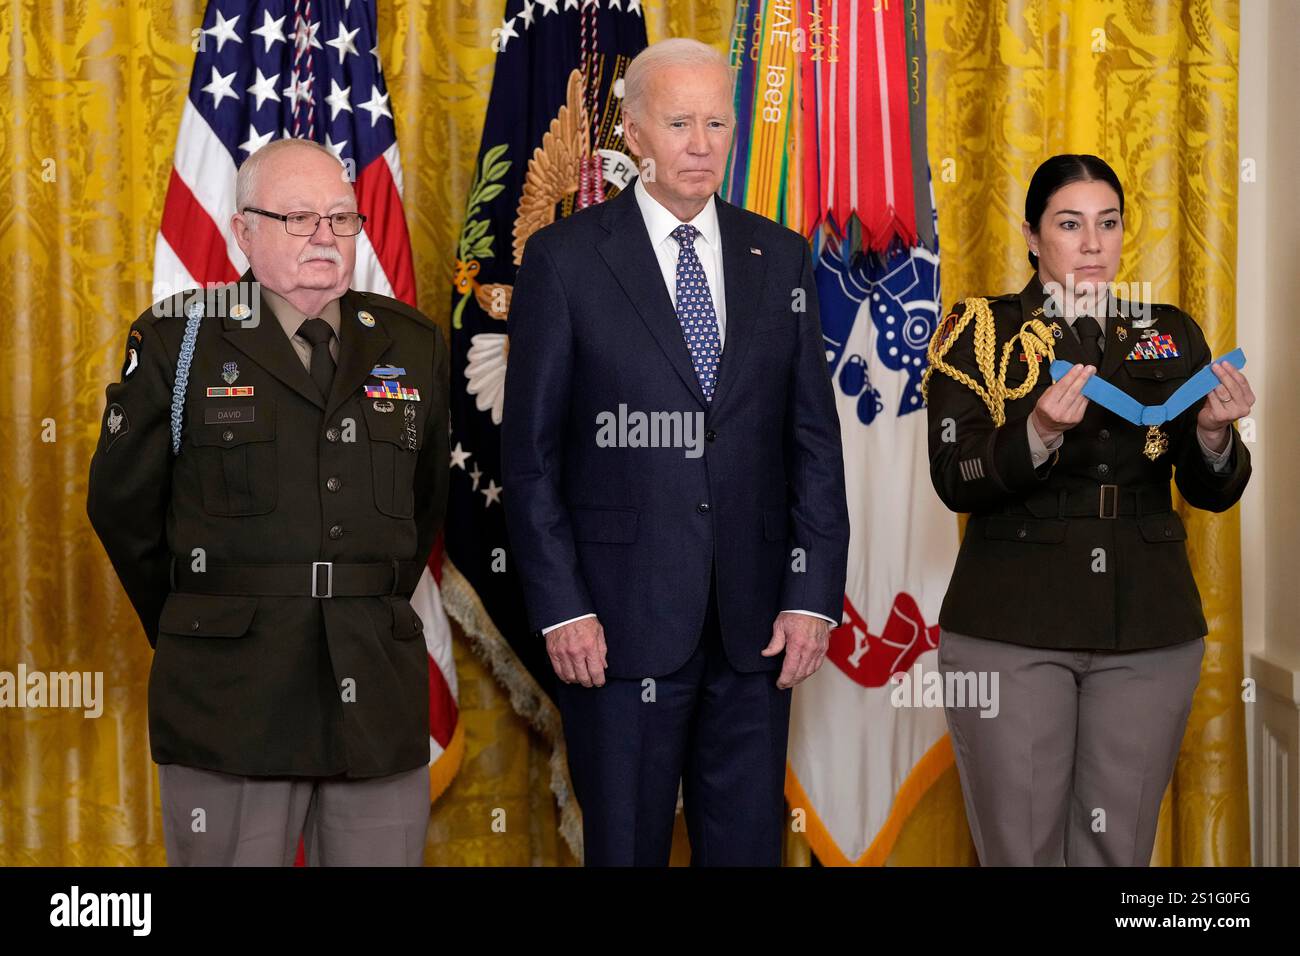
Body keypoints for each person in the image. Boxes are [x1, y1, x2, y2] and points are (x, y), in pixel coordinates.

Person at [500, 38, 849, 866]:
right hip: (615, 629)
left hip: (754, 629)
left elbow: (813, 441)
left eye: (717, 123)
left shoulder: (783, 256)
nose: (701, 144)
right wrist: (562, 607)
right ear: (633, 132)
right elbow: (532, 457)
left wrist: (812, 596)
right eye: (680, 122)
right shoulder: (564, 260)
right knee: (624, 849)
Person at [86, 138, 450, 866]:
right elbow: (123, 507)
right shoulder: (177, 337)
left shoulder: (411, 344)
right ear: (242, 230)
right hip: (232, 692)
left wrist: (353, 598)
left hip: (372, 687)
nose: (325, 235)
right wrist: (206, 615)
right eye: (298, 218)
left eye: (342, 219)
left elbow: (425, 507)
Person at [924, 153, 1253, 866]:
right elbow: (955, 475)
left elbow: (1210, 490)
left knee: (1118, 850)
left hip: (1148, 625)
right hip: (1013, 623)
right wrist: (1036, 434)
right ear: (1033, 235)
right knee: (1022, 851)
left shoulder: (1168, 329)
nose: (1093, 243)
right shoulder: (981, 328)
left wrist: (1213, 434)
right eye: (1070, 225)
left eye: (1108, 224)